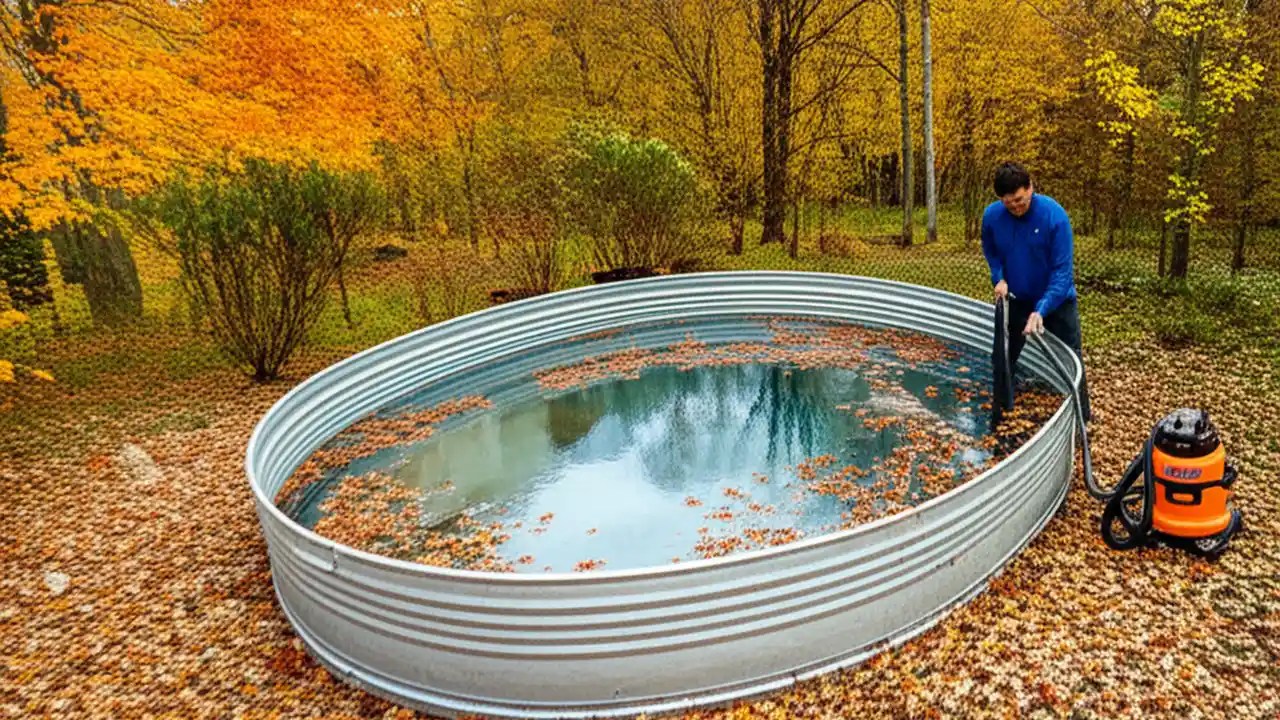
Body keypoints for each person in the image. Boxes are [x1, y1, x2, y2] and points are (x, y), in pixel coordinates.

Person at [981, 162, 1091, 422]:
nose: (1016, 207)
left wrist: (1041, 310)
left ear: (1030, 188)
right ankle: (1001, 407)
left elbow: (1062, 273)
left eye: (1020, 200)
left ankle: (1082, 418)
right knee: (1002, 356)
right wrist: (999, 278)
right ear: (1000, 200)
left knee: (1071, 360)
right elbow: (992, 251)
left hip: (1057, 303)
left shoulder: (1055, 217)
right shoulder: (992, 217)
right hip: (1016, 300)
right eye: (1009, 203)